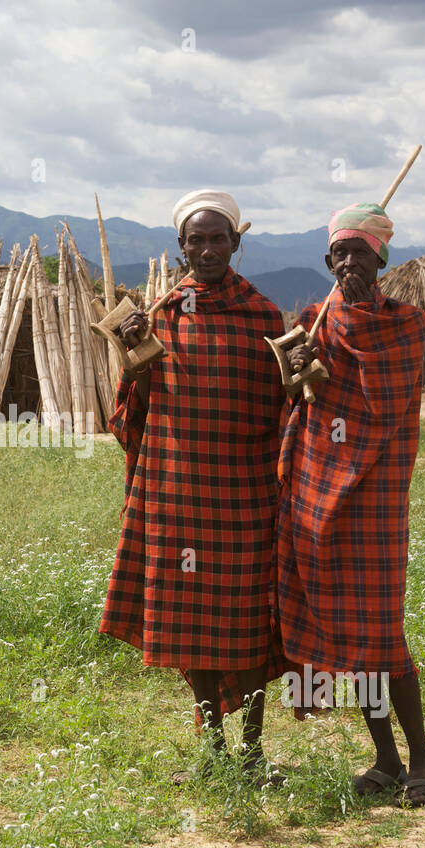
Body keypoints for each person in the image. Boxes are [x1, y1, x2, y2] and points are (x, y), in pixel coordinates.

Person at [99, 189, 287, 785]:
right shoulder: (158, 318)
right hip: (178, 493)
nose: (206, 249)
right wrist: (135, 357)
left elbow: (286, 410)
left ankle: (253, 751)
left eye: (217, 238)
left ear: (237, 242)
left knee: (249, 622)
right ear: (181, 246)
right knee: (190, 623)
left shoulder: (265, 319)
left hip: (247, 496)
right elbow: (135, 412)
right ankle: (212, 748)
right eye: (195, 240)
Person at [278, 201, 425, 807]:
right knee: (350, 633)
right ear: (328, 261)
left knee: (382, 632)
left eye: (361, 252)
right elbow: (298, 402)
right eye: (341, 253)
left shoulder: (405, 324)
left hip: (374, 494)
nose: (351, 261)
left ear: (382, 258)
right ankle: (385, 759)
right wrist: (298, 371)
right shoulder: (310, 323)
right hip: (318, 491)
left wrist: (327, 371)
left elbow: (387, 400)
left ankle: (423, 762)